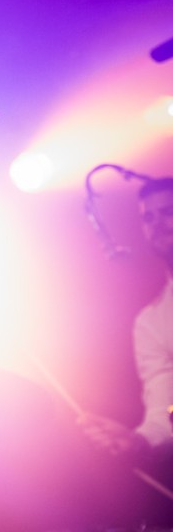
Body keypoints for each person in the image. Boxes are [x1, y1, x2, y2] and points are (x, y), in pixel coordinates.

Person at [78, 176, 173, 478]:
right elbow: (164, 412)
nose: (157, 223)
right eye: (148, 216)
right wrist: (138, 442)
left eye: (168, 211)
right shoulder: (151, 322)